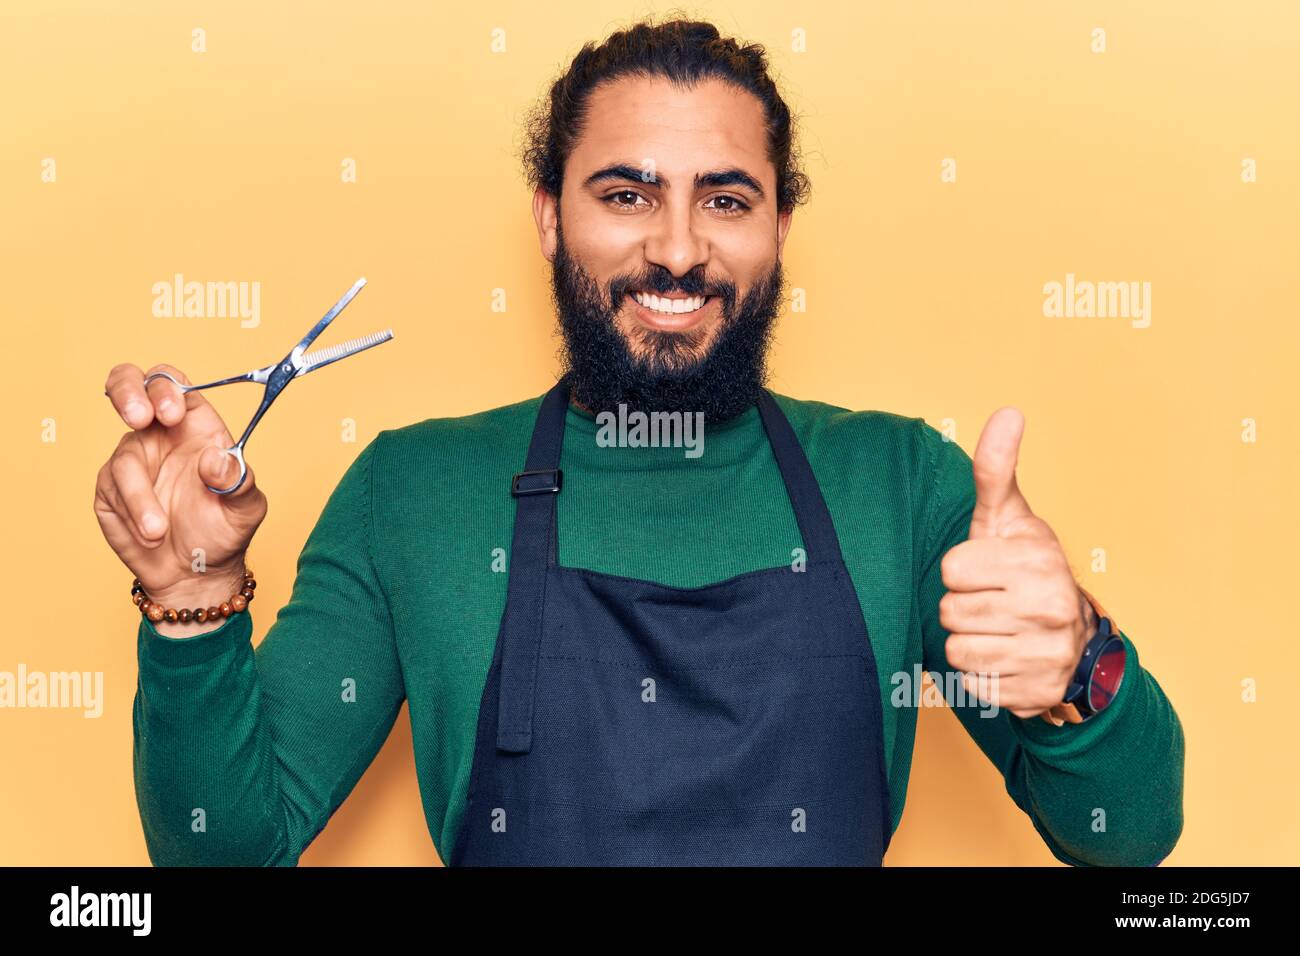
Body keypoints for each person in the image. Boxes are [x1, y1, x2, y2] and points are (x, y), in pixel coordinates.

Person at [96, 16, 1184, 866]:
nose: (676, 249)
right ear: (547, 216)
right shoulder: (410, 490)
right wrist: (190, 590)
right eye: (626, 194)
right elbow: (228, 850)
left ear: (778, 229)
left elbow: (1127, 835)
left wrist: (1080, 662)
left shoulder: (906, 484)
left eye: (725, 198)